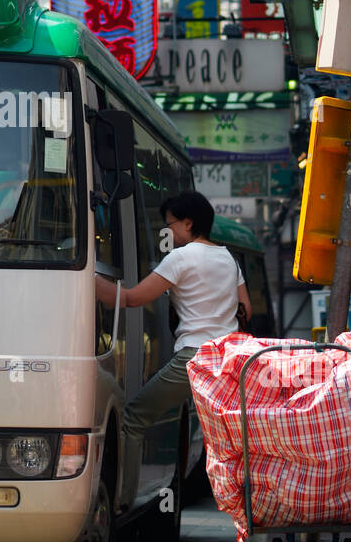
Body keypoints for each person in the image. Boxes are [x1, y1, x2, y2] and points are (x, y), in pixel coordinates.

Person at [95, 190, 250, 510]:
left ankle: (121, 504)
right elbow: (245, 309)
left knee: (134, 417)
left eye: (170, 225)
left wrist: (88, 280)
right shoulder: (228, 258)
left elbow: (133, 298)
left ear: (189, 223)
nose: (167, 232)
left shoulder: (180, 258)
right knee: (229, 439)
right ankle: (249, 516)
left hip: (193, 357)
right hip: (230, 357)